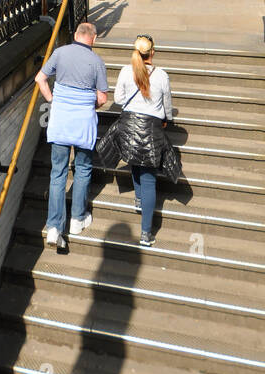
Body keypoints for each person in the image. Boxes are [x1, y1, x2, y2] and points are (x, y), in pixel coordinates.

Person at [94, 35, 180, 247]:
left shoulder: (125, 71)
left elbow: (120, 100)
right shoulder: (161, 75)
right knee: (150, 177)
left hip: (129, 125)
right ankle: (145, 233)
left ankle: (139, 199)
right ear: (152, 52)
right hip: (151, 128)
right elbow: (166, 104)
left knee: (134, 160)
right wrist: (167, 119)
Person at [35, 21, 109, 250]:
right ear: (93, 39)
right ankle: (77, 219)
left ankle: (54, 226)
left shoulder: (60, 52)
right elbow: (103, 98)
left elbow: (40, 79)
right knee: (83, 168)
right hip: (83, 124)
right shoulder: (96, 62)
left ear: (76, 35)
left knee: (57, 173)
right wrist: (87, 103)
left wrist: (52, 100)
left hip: (60, 122)